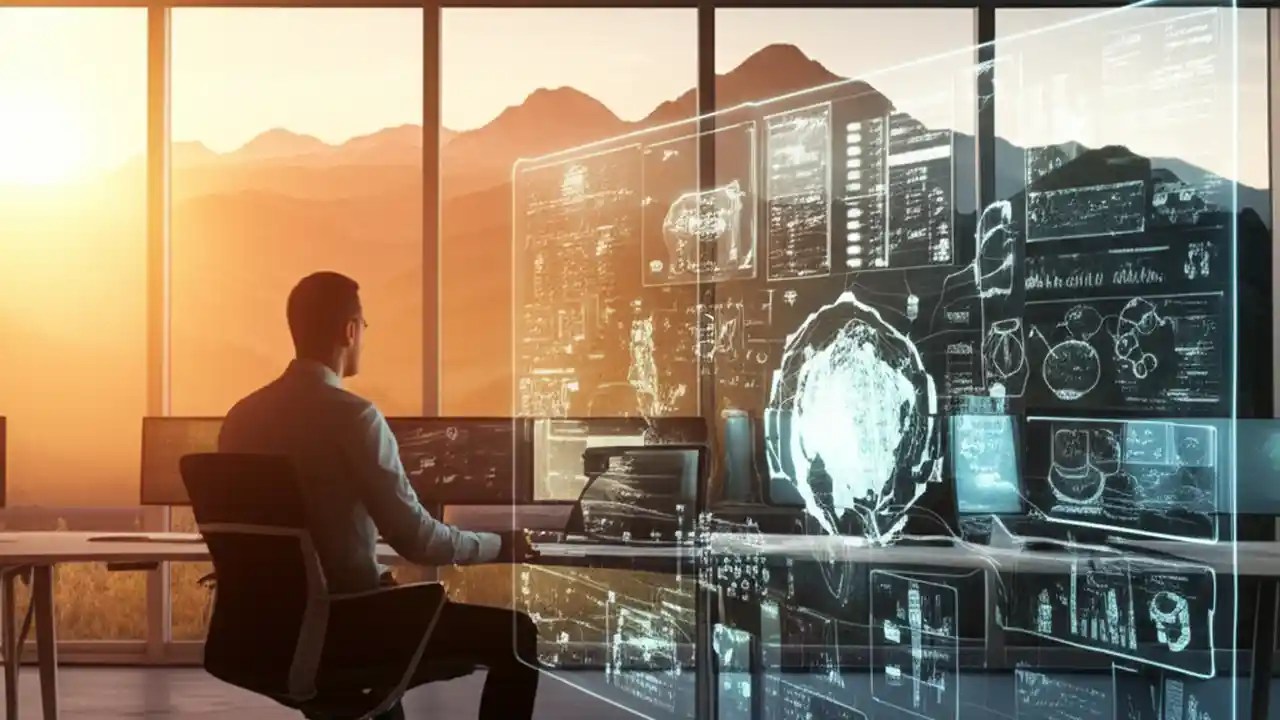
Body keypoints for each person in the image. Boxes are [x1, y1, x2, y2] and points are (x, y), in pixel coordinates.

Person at [218, 271, 540, 720]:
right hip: (352, 630)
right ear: (350, 330)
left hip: (267, 635)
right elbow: (417, 541)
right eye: (364, 327)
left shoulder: (240, 419)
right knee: (516, 636)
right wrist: (500, 543)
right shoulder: (355, 418)